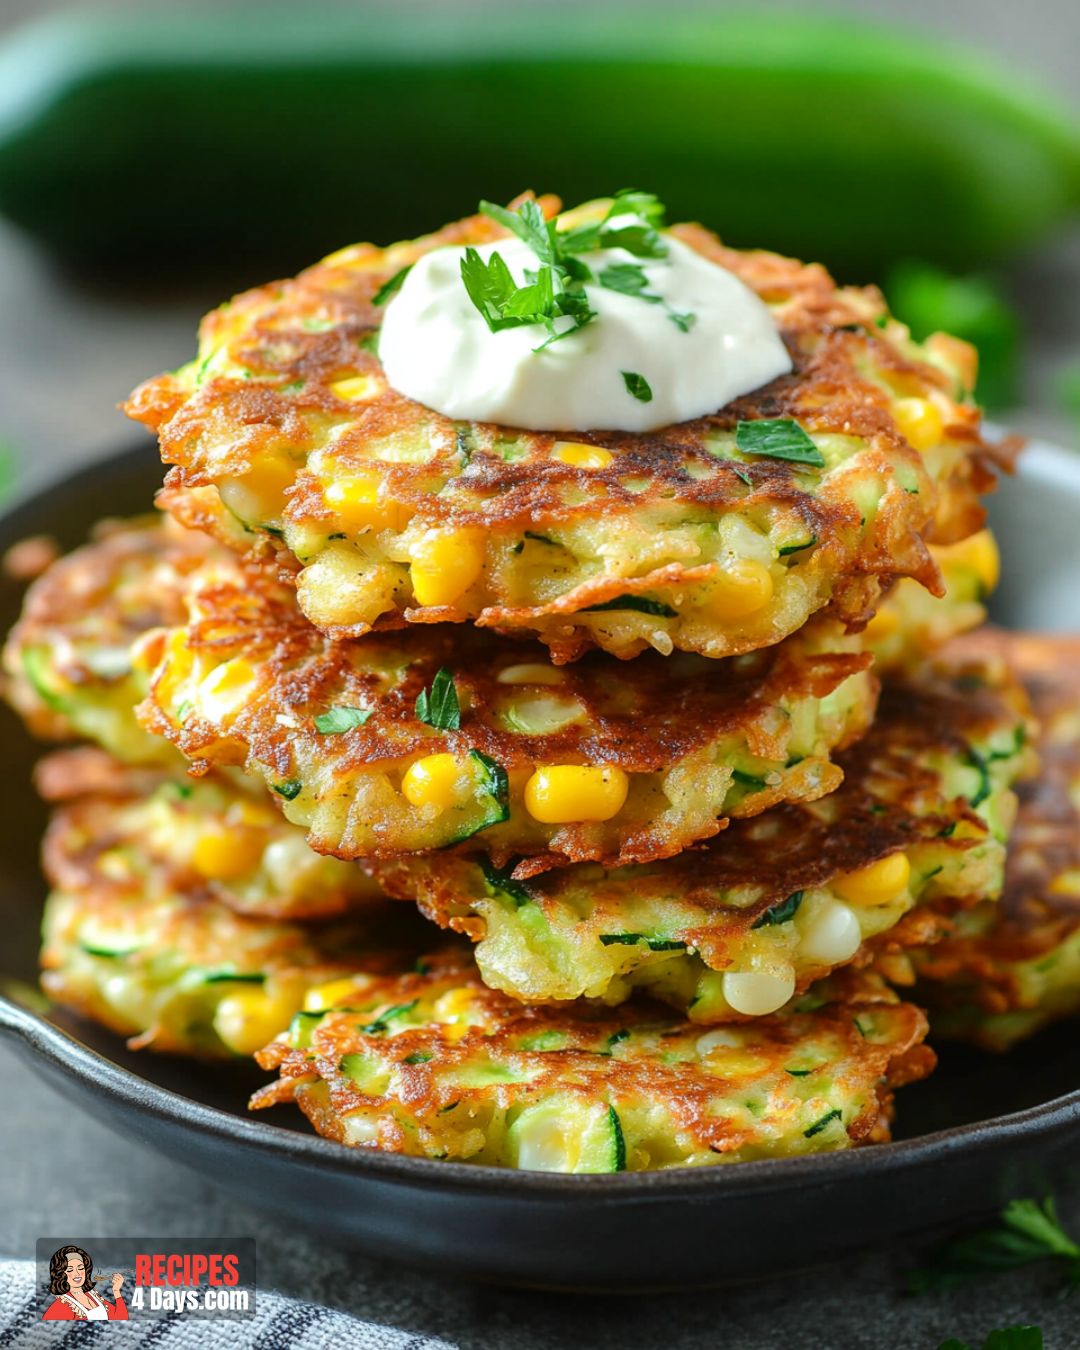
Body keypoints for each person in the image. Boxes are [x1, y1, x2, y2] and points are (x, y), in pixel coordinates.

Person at [41, 1245, 128, 1321]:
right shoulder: (60, 1307)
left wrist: (116, 1291)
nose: (77, 1273)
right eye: (70, 1270)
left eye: (80, 1268)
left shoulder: (92, 1295)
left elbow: (120, 1318)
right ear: (60, 1274)